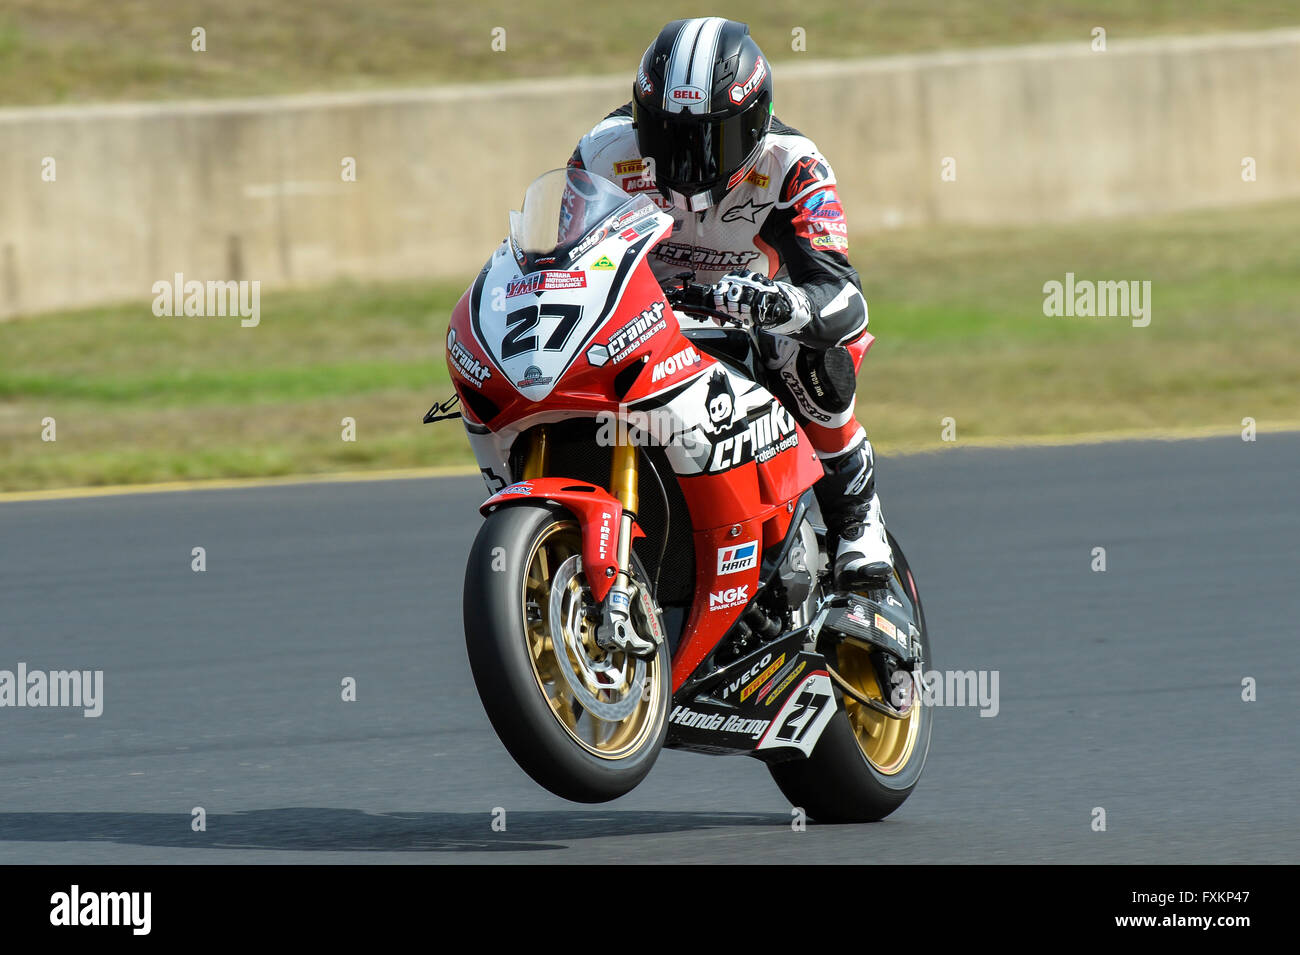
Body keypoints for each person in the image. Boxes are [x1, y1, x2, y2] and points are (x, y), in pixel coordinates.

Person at [568, 16, 893, 586]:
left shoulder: (793, 166)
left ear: (755, 123)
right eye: (671, 138)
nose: (690, 162)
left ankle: (857, 520)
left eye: (712, 140)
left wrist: (780, 304)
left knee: (810, 344)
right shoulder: (602, 154)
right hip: (639, 323)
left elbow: (844, 296)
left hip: (744, 329)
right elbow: (556, 254)